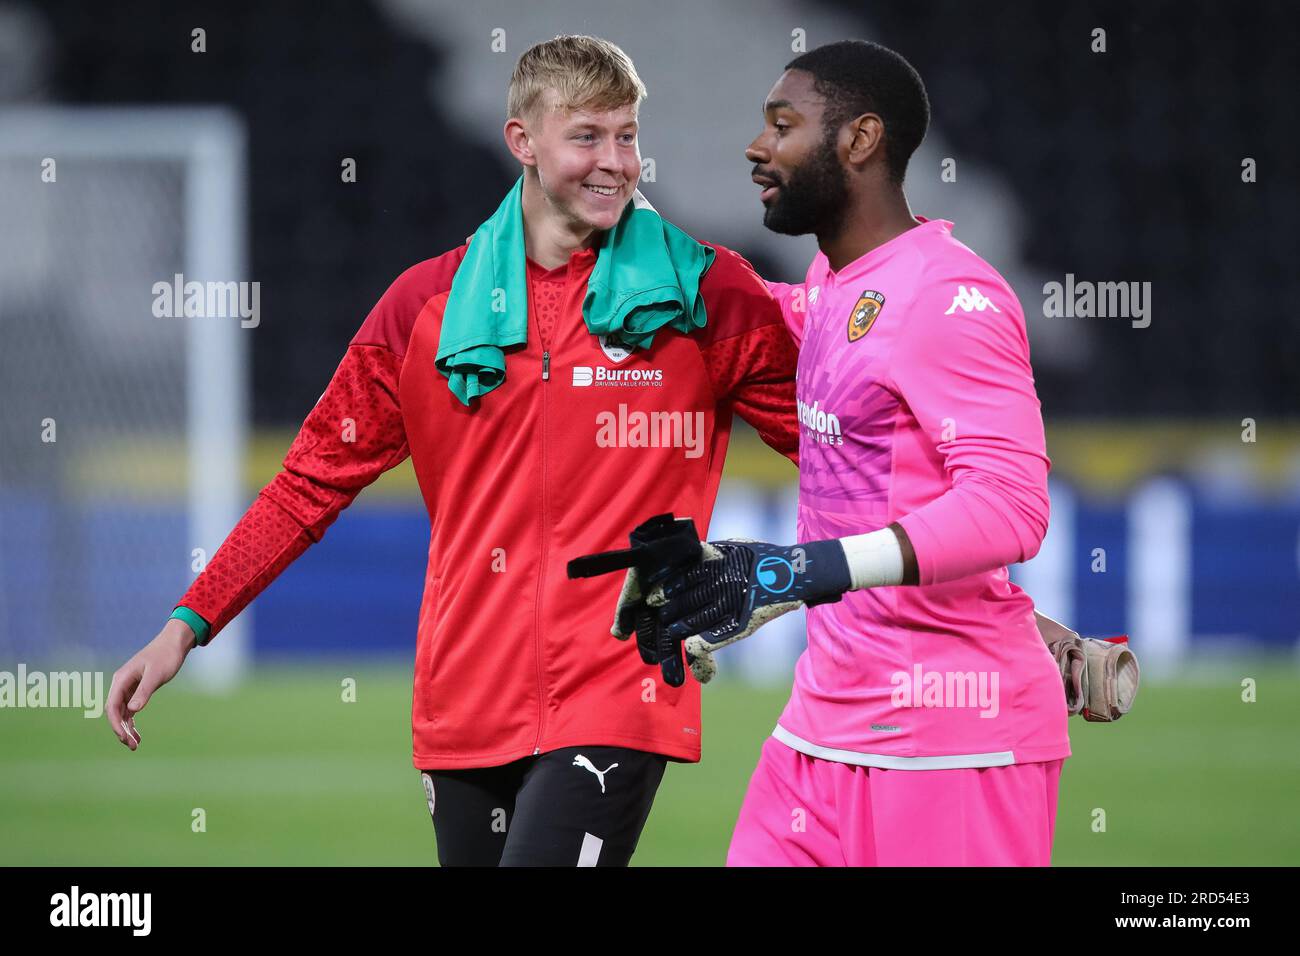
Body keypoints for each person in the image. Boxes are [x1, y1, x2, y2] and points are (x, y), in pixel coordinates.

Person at [104, 34, 801, 867]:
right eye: (586, 137)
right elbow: (307, 485)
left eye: (627, 135)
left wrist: (833, 568)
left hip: (620, 683)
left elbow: (838, 450)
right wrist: (187, 623)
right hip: (464, 692)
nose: (615, 162)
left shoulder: (708, 295)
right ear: (523, 143)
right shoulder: (421, 307)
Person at [618, 40, 1070, 866]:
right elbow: (733, 297)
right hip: (817, 737)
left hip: (950, 744)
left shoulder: (947, 296)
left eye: (783, 125)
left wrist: (791, 572)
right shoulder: (834, 288)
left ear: (860, 140)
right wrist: (602, 187)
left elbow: (1011, 506)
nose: (759, 146)